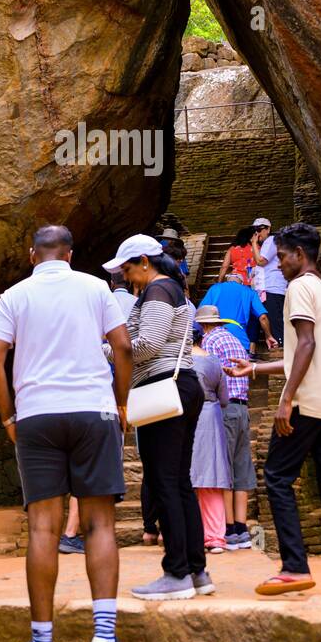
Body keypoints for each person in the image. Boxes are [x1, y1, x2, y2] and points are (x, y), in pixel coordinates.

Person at [0, 225, 134, 642]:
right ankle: (105, 641)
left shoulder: (13, 296)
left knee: (44, 530)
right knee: (99, 524)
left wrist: (9, 417)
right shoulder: (95, 288)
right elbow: (123, 346)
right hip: (93, 410)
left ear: (33, 255)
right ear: (70, 254)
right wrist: (121, 401)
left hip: (37, 415)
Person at [227, 222, 321, 599]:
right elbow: (300, 354)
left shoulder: (298, 288)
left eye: (282, 256)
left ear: (299, 255)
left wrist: (286, 399)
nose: (277, 264)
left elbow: (305, 345)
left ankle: (294, 567)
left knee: (277, 476)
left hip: (305, 403)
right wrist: (253, 367)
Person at [102, 234, 212, 600]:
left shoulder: (157, 291)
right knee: (179, 483)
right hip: (180, 387)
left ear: (144, 262)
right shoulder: (169, 288)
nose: (126, 276)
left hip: (164, 387)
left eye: (128, 268)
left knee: (165, 481)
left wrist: (103, 349)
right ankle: (196, 571)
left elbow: (147, 344)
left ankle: (176, 572)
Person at [194, 305, 257, 550]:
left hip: (225, 406)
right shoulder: (232, 337)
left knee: (224, 466)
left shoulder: (208, 343)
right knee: (242, 467)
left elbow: (208, 375)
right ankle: (241, 528)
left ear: (202, 325)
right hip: (243, 407)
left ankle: (228, 528)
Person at [190, 326, 232, 553]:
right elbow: (224, 399)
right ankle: (215, 536)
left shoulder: (181, 362)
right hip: (211, 416)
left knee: (186, 477)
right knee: (211, 477)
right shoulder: (214, 362)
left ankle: (190, 532)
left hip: (185, 416)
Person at [198, 275, 277, 353]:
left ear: (227, 280)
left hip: (215, 335)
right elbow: (263, 317)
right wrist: (268, 336)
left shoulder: (215, 288)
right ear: (242, 282)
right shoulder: (249, 292)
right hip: (239, 337)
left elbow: (201, 311)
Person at [251, 217, 288, 344]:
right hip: (269, 288)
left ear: (268, 229)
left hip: (273, 287)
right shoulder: (266, 244)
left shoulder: (272, 240)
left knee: (276, 321)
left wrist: (254, 244)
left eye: (260, 229)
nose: (257, 233)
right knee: (273, 320)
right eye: (255, 230)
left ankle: (281, 348)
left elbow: (261, 261)